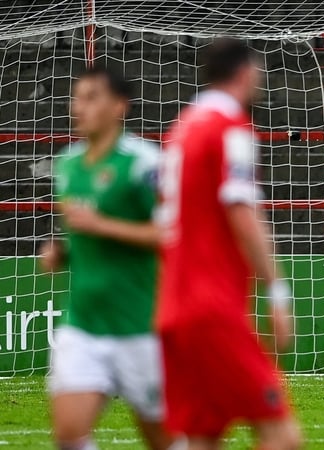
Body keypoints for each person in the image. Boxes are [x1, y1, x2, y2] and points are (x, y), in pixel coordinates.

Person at [156, 38, 302, 450]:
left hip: (175, 305)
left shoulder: (183, 128)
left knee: (202, 437)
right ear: (244, 72)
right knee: (282, 435)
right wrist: (277, 290)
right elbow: (241, 209)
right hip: (212, 308)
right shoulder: (229, 128)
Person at [40, 67, 170, 450]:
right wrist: (61, 252)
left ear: (119, 107)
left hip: (138, 326)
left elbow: (170, 236)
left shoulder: (144, 163)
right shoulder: (67, 164)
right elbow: (82, 234)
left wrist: (103, 225)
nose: (77, 107)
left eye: (90, 97)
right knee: (68, 434)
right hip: (83, 323)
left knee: (163, 440)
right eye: (76, 97)